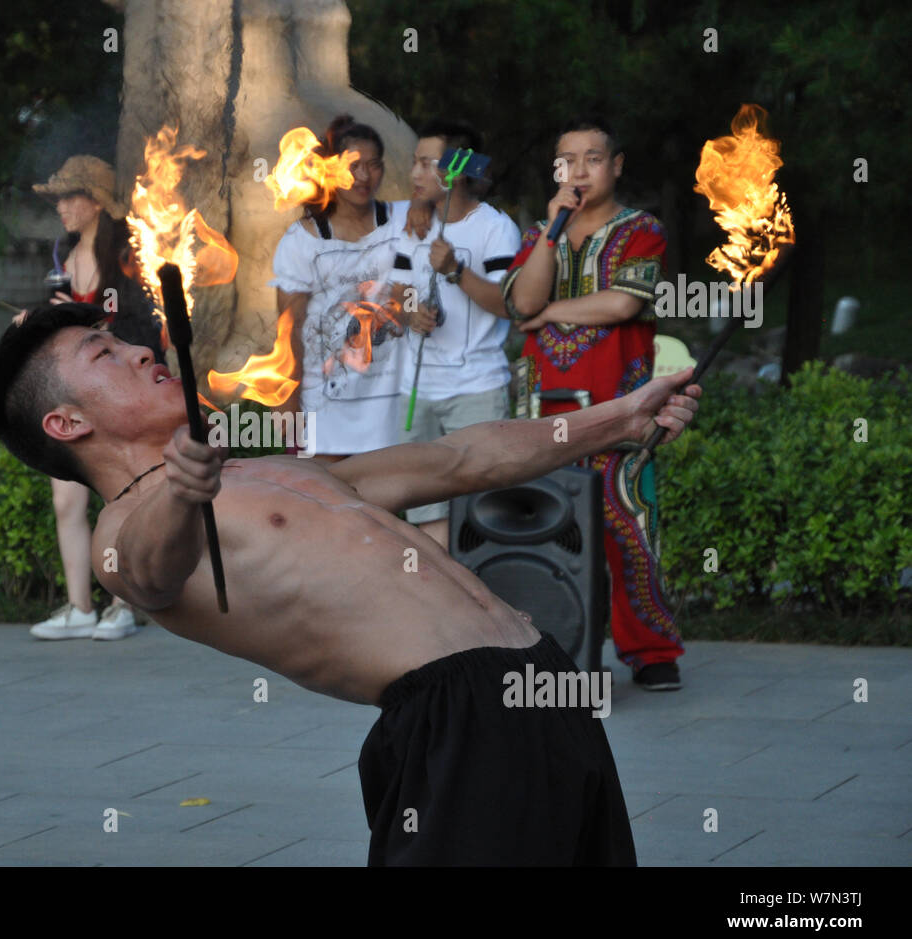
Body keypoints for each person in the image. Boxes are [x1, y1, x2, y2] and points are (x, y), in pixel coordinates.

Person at [0, 302, 702, 865]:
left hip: (543, 683)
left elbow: (458, 460)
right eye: (104, 353)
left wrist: (615, 420)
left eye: (126, 340)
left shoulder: (274, 471)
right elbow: (149, 568)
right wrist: (181, 488)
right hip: (455, 722)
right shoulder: (125, 530)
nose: (141, 349)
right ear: (66, 421)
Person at [502, 117, 682, 691]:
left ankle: (652, 652)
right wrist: (554, 232)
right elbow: (520, 301)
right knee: (546, 532)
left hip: (620, 406)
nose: (579, 170)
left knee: (628, 525)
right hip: (543, 411)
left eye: (593, 158)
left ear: (617, 165)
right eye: (567, 160)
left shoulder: (640, 230)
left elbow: (624, 304)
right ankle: (557, 650)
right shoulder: (539, 234)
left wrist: (551, 312)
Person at [22, 155, 163, 640]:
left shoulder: (129, 253)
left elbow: (145, 327)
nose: (61, 207)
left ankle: (121, 605)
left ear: (96, 201)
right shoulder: (62, 255)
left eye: (69, 196)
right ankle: (80, 605)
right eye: (57, 198)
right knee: (66, 498)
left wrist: (89, 323)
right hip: (73, 392)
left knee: (118, 495)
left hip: (115, 391)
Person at [391, 119, 522, 548]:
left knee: (481, 515)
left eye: (427, 164)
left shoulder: (495, 228)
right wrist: (412, 313)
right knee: (427, 514)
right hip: (418, 390)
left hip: (477, 390)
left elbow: (511, 302)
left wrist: (456, 272)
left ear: (456, 170)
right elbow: (397, 289)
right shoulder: (409, 224)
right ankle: (440, 606)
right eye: (415, 163)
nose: (414, 174)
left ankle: (488, 607)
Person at [270, 115, 410, 462]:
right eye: (354, 165)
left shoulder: (403, 221)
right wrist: (289, 407)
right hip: (326, 404)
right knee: (327, 504)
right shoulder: (303, 241)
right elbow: (290, 330)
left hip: (390, 403)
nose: (364, 177)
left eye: (374, 165)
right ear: (330, 169)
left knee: (385, 503)